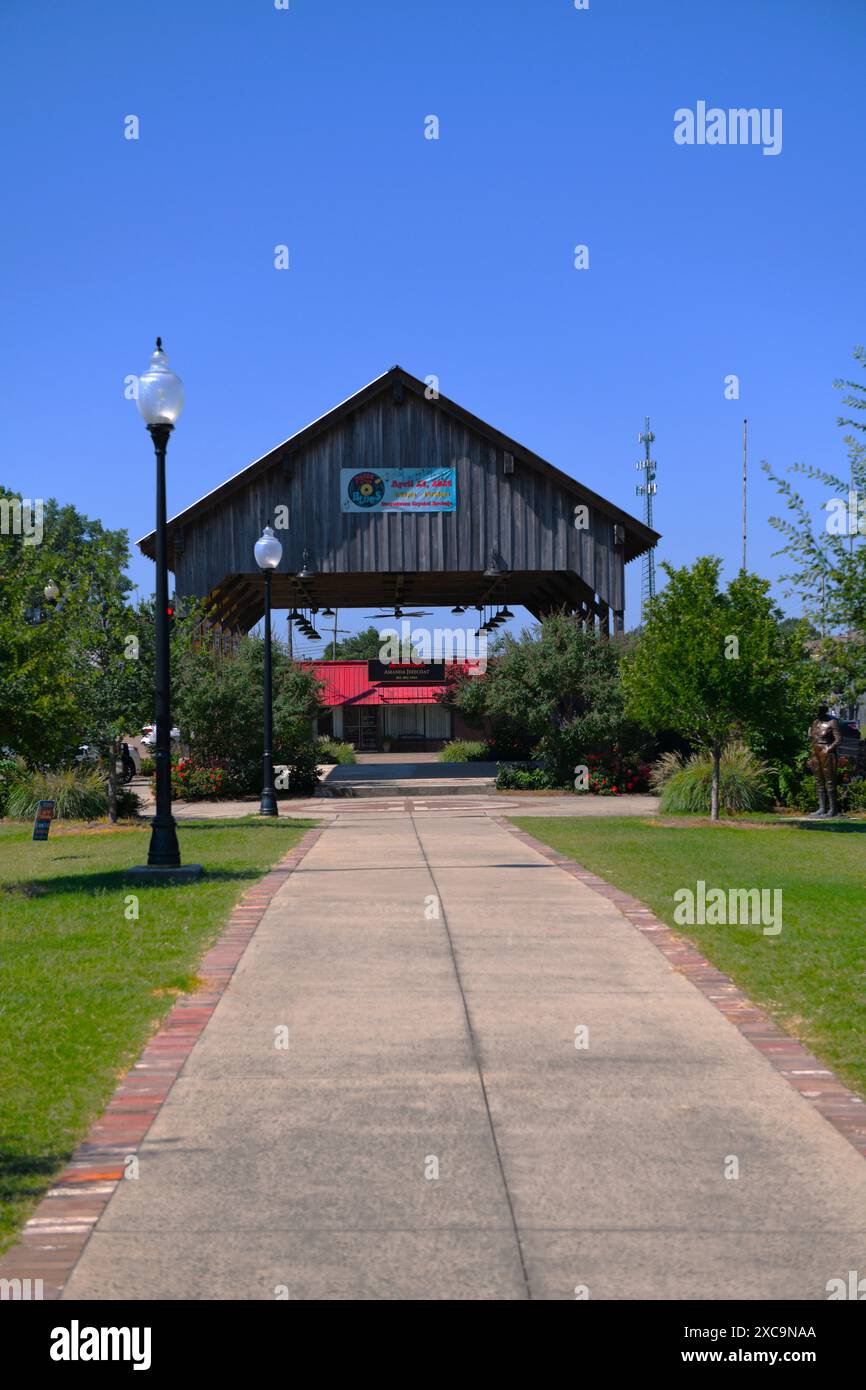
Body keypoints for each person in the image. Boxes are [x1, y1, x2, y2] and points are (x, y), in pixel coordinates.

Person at [808, 705, 843, 818]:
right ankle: (822, 808)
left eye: (820, 710)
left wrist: (828, 749)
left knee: (830, 781)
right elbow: (812, 739)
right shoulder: (815, 723)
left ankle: (833, 809)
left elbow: (839, 739)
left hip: (827, 752)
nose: (818, 712)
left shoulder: (832, 722)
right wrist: (811, 755)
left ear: (824, 711)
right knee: (819, 780)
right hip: (815, 752)